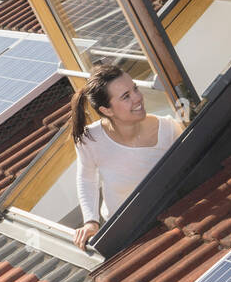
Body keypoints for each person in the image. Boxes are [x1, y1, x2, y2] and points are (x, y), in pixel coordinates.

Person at [70, 64, 185, 249]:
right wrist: (91, 221)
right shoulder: (89, 140)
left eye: (135, 89)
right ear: (107, 110)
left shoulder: (169, 130)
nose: (138, 98)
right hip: (122, 232)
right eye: (126, 96)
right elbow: (86, 179)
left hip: (169, 221)